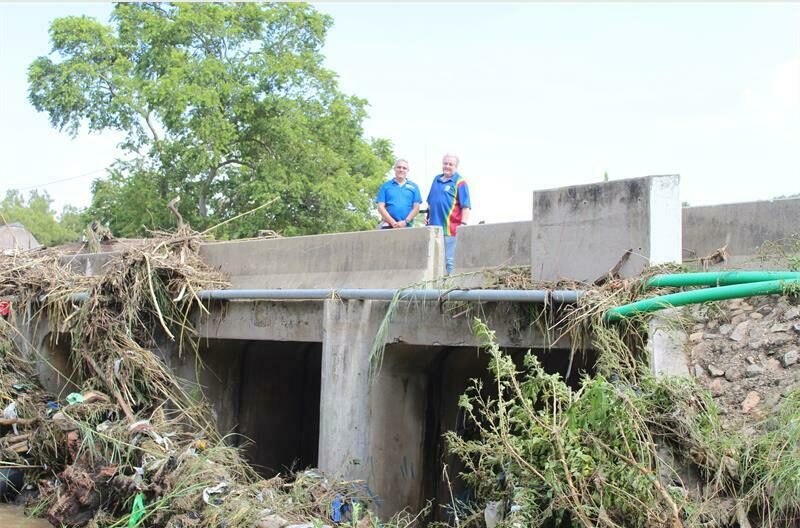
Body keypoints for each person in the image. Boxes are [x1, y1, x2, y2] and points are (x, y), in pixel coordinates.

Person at [426, 154, 471, 275]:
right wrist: (428, 217)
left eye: (450, 164)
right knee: (433, 261)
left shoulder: (460, 182)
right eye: (445, 163)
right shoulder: (436, 179)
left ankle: (451, 289)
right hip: (434, 228)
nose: (447, 166)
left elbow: (465, 206)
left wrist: (463, 224)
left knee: (449, 261)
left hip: (450, 229)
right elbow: (430, 202)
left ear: (455, 166)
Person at [376, 159, 422, 229]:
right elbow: (380, 207)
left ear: (408, 170)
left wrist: (405, 222)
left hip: (407, 226)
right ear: (394, 169)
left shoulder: (414, 187)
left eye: (404, 168)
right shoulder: (385, 186)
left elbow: (416, 207)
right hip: (388, 225)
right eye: (399, 167)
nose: (401, 170)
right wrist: (393, 222)